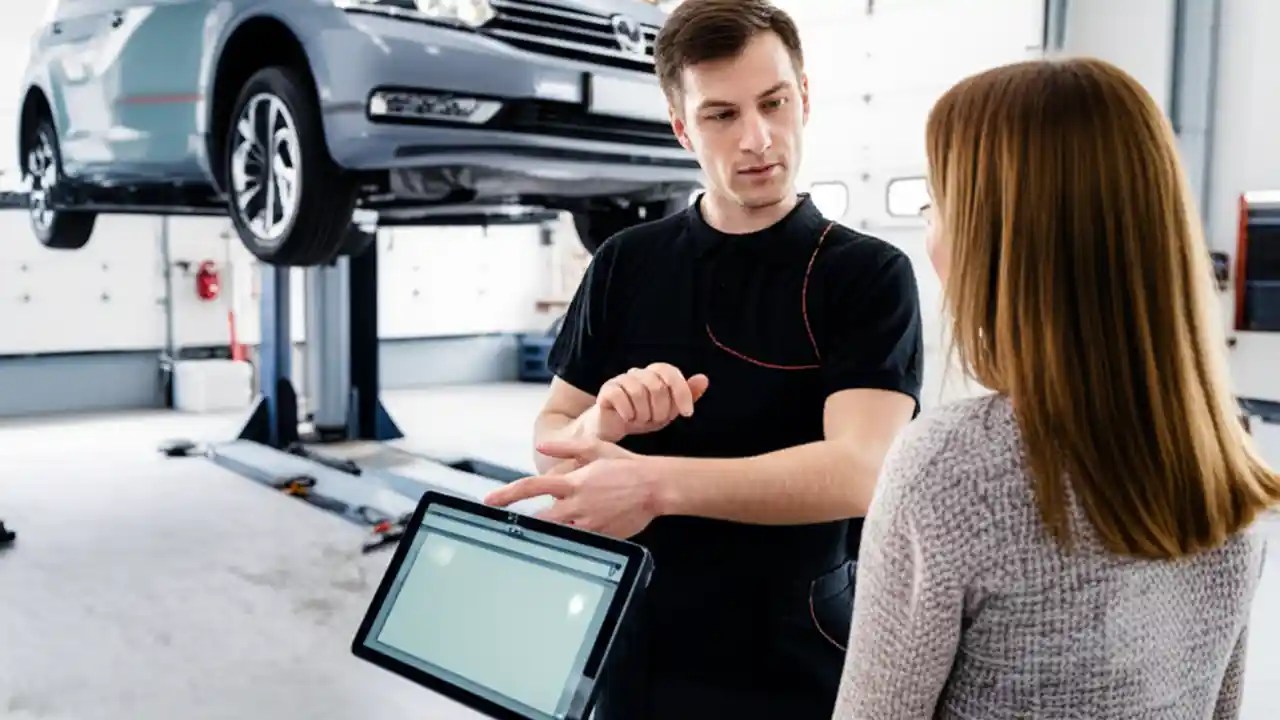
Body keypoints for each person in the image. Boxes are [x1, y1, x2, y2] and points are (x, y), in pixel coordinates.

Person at [483, 0, 923, 717]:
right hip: (637, 641)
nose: (758, 138)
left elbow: (861, 471)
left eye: (774, 104)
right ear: (682, 127)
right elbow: (554, 437)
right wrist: (603, 420)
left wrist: (653, 485)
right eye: (721, 116)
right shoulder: (627, 262)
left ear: (804, 98)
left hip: (794, 652)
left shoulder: (865, 274)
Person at [833, 57, 1279, 719]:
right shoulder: (1228, 469)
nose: (930, 237)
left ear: (1001, 243)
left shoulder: (952, 470)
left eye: (937, 205)